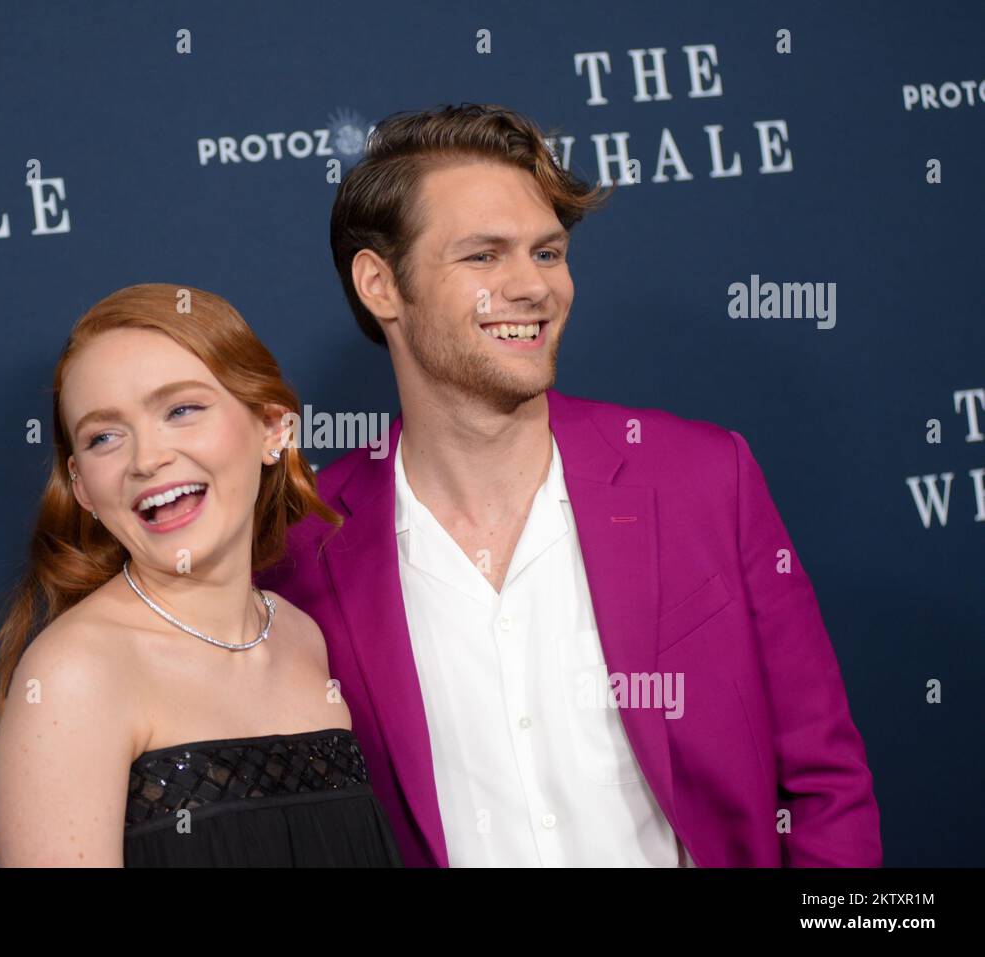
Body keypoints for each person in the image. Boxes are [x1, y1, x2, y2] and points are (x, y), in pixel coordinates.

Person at [255, 103, 882, 867]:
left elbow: (823, 783)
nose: (533, 287)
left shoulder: (702, 478)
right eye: (483, 256)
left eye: (547, 253)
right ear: (381, 284)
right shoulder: (304, 552)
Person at [0, 283, 402, 867]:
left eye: (182, 410)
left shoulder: (303, 637)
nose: (147, 458)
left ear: (273, 427)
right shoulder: (75, 676)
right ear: (82, 488)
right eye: (105, 437)